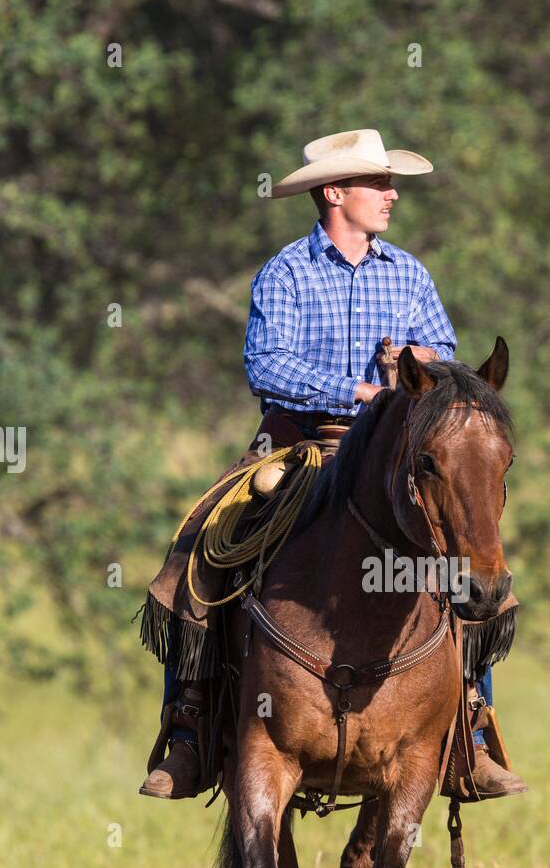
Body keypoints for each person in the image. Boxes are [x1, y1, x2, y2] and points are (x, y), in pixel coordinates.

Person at [140, 128, 524, 800]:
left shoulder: (408, 272)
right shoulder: (285, 272)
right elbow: (267, 365)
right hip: (298, 444)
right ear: (334, 192)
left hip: (396, 452)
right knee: (202, 547)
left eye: (389, 182)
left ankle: (471, 726)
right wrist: (357, 389)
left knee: (468, 556)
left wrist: (421, 366)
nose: (391, 194)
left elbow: (442, 355)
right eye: (377, 183)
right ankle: (190, 727)